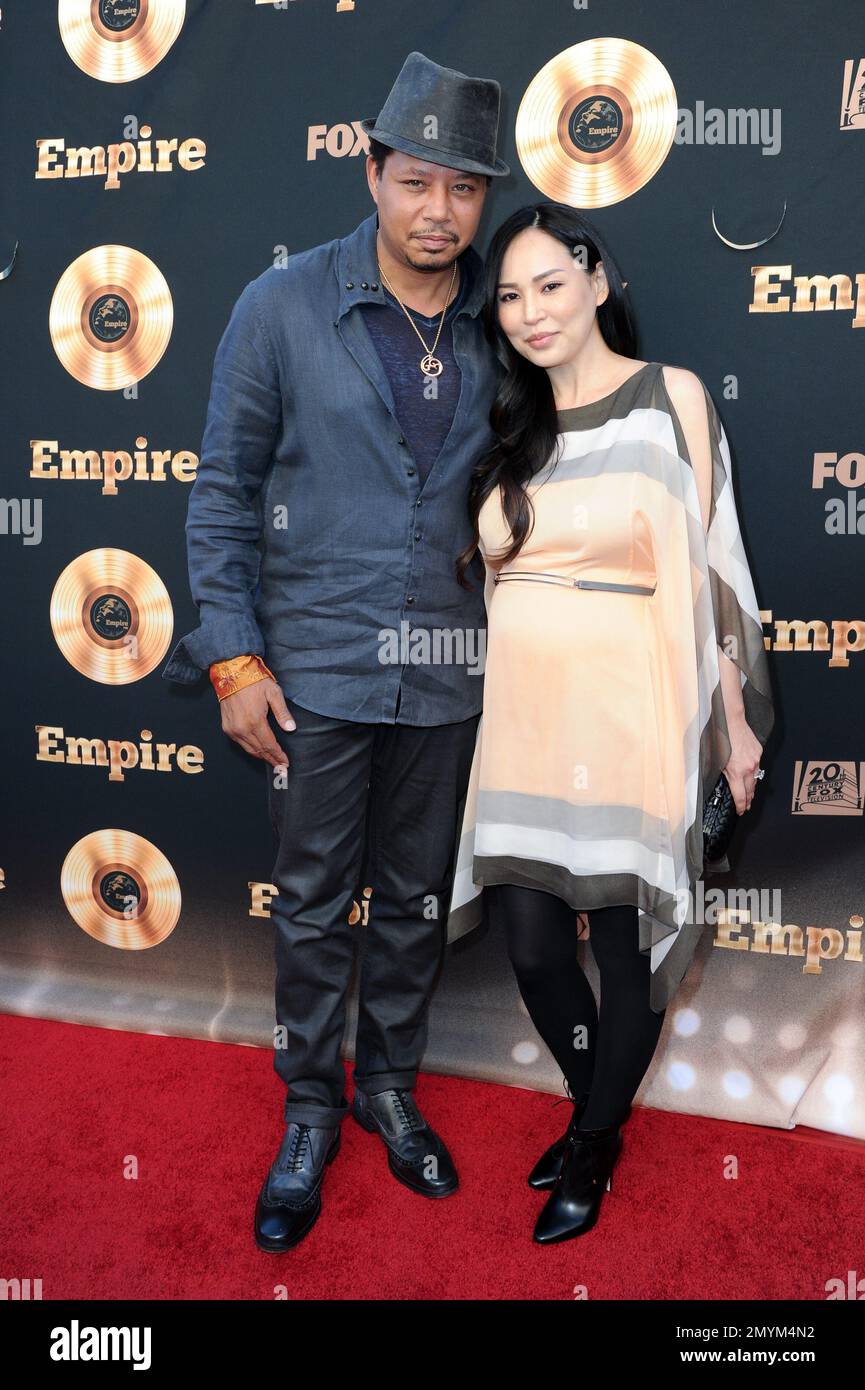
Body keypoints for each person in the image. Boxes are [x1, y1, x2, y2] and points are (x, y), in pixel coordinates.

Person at [161, 51, 510, 1252]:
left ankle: (390, 1089)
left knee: (413, 900)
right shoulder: (282, 306)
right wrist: (233, 660)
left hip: (449, 673)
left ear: (485, 202)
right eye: (416, 181)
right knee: (313, 905)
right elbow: (221, 494)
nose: (437, 212)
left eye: (464, 191)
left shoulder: (501, 321)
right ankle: (311, 1103)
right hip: (311, 670)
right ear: (370, 172)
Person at [445, 202, 775, 1244]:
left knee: (628, 953)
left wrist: (734, 724)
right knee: (536, 949)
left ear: (596, 280)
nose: (531, 311)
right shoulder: (511, 433)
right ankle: (599, 1106)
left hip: (636, 721)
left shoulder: (669, 397)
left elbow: (714, 568)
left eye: (550, 283)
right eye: (508, 296)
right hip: (526, 730)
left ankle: (589, 1145)